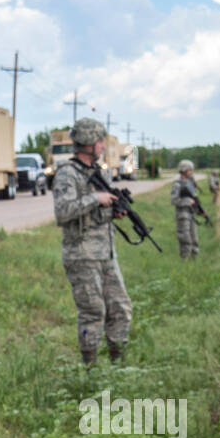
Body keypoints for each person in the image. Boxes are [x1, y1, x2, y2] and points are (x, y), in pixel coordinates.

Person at [52, 117, 132, 365]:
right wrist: (95, 199)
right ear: (87, 143)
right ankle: (91, 369)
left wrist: (113, 210)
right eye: (99, 142)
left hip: (106, 255)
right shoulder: (67, 174)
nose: (102, 146)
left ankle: (119, 364)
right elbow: (63, 211)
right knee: (92, 313)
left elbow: (100, 210)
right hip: (82, 256)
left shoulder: (97, 173)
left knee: (121, 309)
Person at [170, 159, 200, 260]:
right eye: (190, 170)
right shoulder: (177, 185)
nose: (191, 172)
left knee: (194, 238)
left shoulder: (190, 183)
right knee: (185, 238)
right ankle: (185, 260)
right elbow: (174, 200)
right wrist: (187, 202)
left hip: (191, 214)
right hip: (183, 215)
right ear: (184, 170)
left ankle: (194, 259)